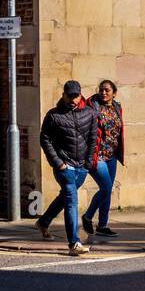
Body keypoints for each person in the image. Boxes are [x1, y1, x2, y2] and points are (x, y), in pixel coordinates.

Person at [36, 81, 97, 255]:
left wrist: (87, 164)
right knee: (71, 200)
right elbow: (45, 140)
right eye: (69, 95)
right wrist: (58, 163)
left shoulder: (90, 114)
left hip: (82, 167)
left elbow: (92, 140)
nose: (72, 99)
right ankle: (74, 244)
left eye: (75, 96)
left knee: (65, 197)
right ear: (63, 95)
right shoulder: (53, 115)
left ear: (80, 95)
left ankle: (44, 222)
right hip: (64, 166)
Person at [82, 79, 125, 237]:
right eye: (101, 90)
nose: (103, 93)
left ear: (114, 93)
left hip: (111, 155)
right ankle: (87, 216)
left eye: (107, 90)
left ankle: (102, 225)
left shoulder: (117, 107)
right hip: (97, 155)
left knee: (107, 191)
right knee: (106, 187)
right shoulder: (92, 106)